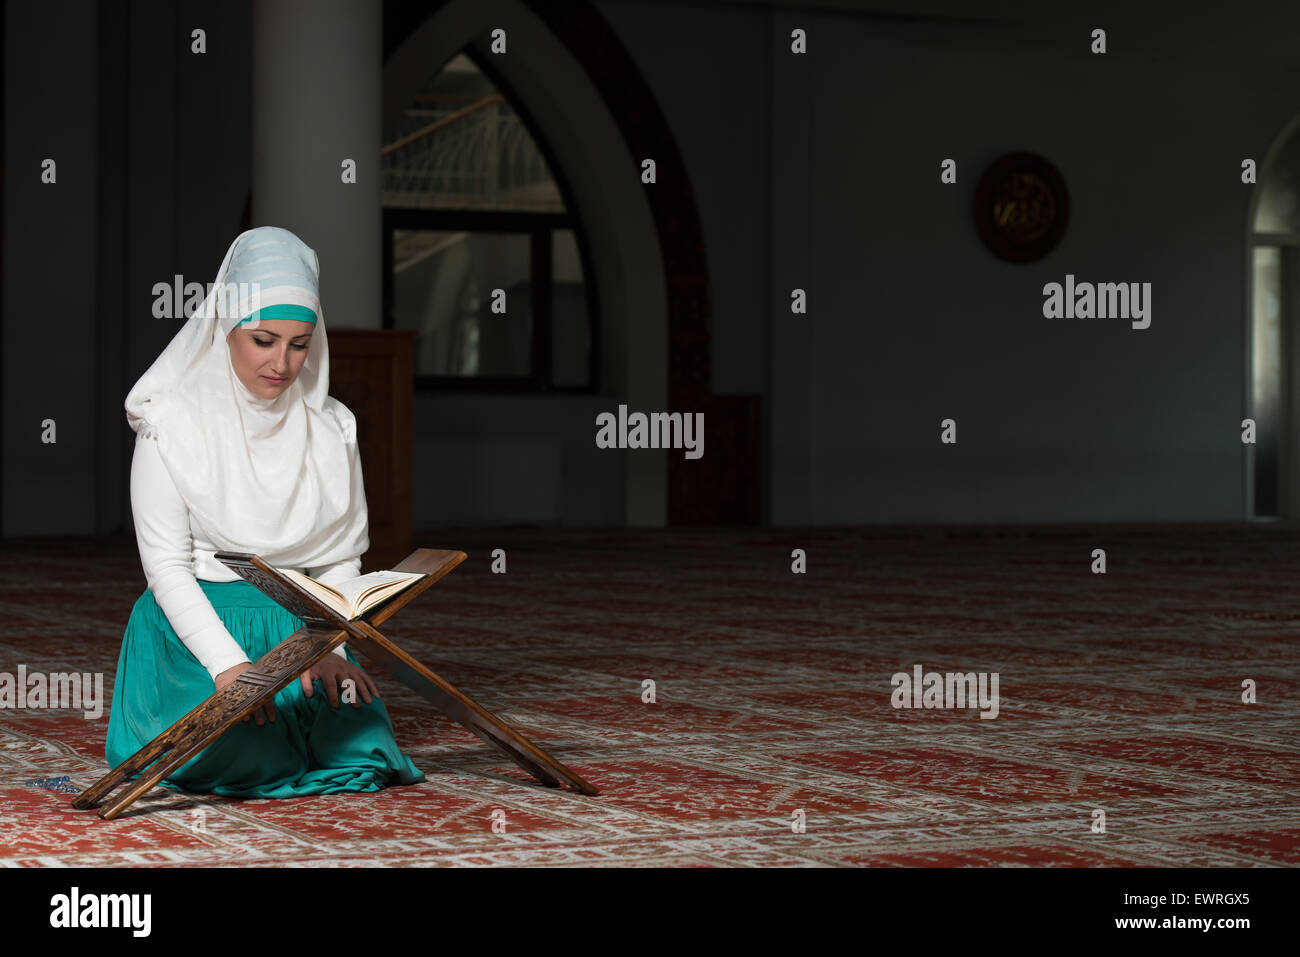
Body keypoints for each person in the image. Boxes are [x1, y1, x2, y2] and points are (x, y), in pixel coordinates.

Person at [105, 226, 425, 797]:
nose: (282, 363)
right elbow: (167, 569)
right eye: (263, 339)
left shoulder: (332, 428)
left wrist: (329, 647)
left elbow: (340, 557)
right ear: (226, 328)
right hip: (199, 630)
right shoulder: (169, 422)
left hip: (300, 627)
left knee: (366, 750)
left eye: (299, 344)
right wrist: (230, 669)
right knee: (245, 758)